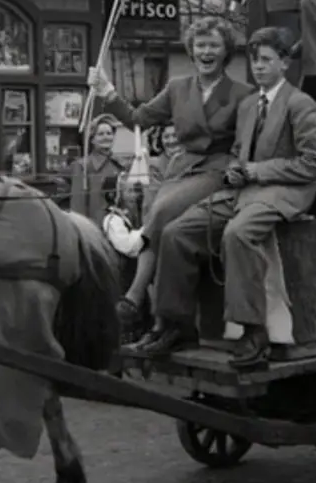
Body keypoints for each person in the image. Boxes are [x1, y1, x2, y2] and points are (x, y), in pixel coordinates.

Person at [131, 27, 316, 369]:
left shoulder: (300, 105)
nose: (259, 67)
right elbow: (239, 150)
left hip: (285, 193)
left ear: (285, 63)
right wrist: (237, 169)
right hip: (245, 189)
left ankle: (253, 330)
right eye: (254, 61)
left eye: (267, 60)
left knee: (238, 233)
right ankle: (176, 324)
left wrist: (257, 171)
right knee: (176, 233)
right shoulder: (251, 104)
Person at [88, 17, 253, 332]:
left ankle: (135, 297)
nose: (206, 52)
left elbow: (246, 144)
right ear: (191, 51)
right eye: (200, 45)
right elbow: (139, 119)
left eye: (214, 45)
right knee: (163, 221)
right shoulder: (178, 87)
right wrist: (107, 92)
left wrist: (237, 167)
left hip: (218, 169)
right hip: (181, 169)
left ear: (226, 51)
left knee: (161, 211)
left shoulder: (242, 93)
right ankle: (161, 320)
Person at [67, 115, 126, 224]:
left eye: (109, 133)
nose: (106, 137)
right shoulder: (82, 166)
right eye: (100, 134)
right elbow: (77, 207)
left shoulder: (119, 165)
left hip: (118, 229)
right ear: (92, 139)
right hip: (94, 229)